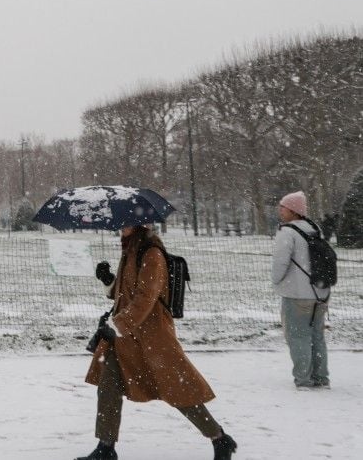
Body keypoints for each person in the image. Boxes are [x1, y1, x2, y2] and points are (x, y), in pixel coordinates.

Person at [77, 224, 236, 460]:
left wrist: (116, 326)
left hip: (152, 338)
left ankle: (219, 438)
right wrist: (108, 280)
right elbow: (124, 293)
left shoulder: (152, 253)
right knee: (108, 386)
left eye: (126, 224)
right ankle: (106, 447)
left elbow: (145, 299)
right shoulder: (130, 250)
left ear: (139, 226)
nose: (121, 228)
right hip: (124, 339)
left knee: (177, 390)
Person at [270, 190, 330, 389]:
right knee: (317, 336)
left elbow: (280, 263)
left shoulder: (287, 232)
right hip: (320, 292)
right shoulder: (315, 228)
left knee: (298, 336)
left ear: (293, 210)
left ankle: (303, 380)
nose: (280, 210)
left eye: (283, 207)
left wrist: (275, 282)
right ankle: (321, 378)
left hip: (296, 294)